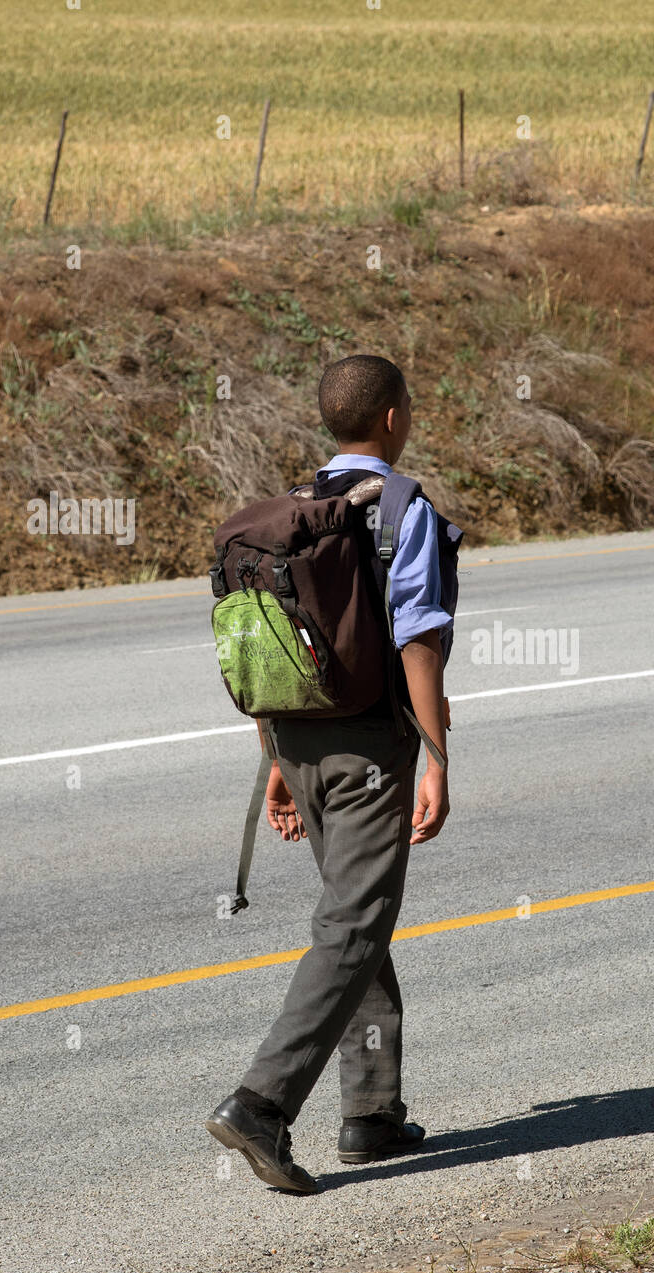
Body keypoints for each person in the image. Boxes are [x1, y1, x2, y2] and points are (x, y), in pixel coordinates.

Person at [205, 354, 451, 1194]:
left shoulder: (292, 516)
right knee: (354, 923)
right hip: (368, 753)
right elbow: (417, 638)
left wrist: (275, 763)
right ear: (391, 419)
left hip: (296, 744)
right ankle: (261, 1105)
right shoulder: (400, 511)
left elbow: (270, 653)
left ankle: (371, 1113)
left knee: (359, 916)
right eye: (408, 405)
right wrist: (437, 758)